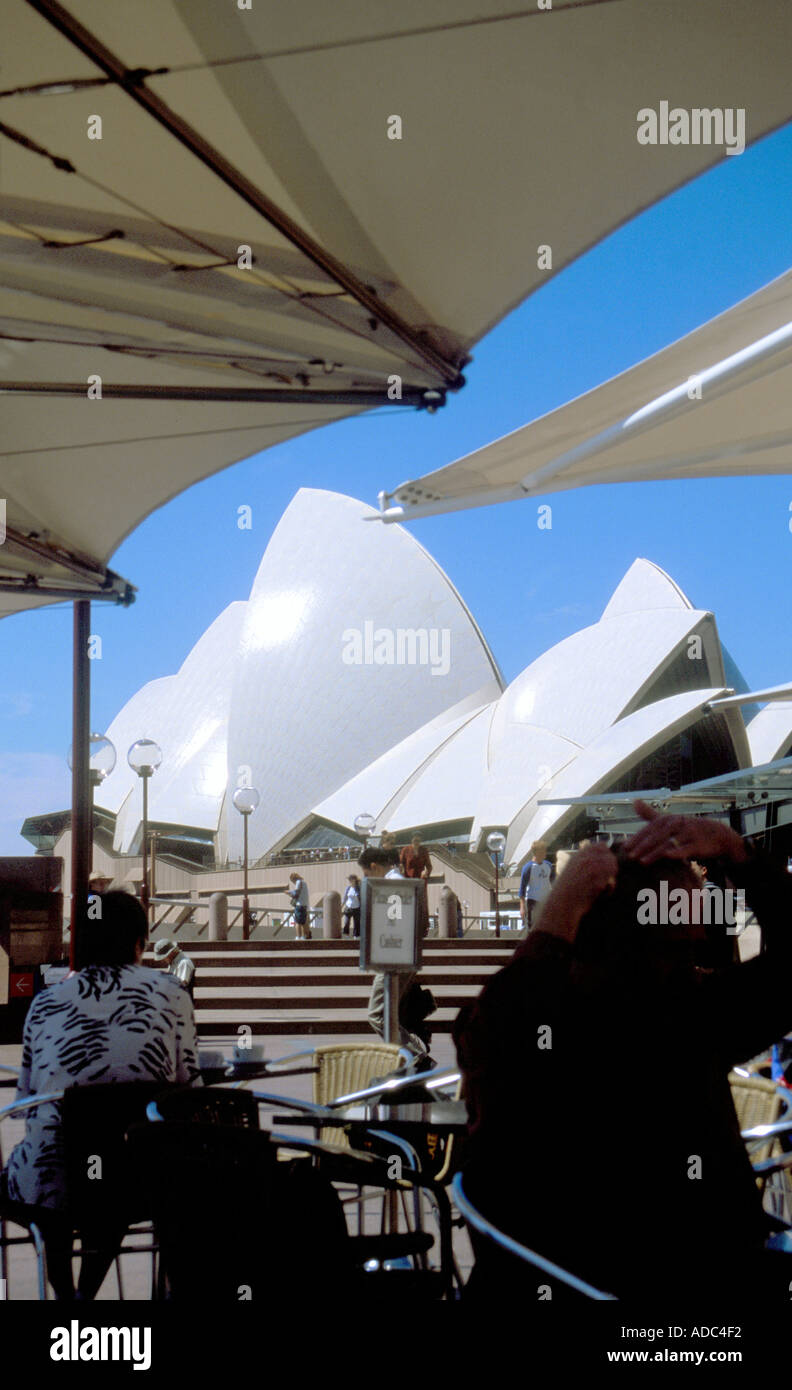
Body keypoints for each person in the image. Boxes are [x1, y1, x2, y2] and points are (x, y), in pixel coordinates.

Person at [453, 801, 792, 1304]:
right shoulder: (686, 1018)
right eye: (684, 941)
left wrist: (556, 920)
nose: (696, 954)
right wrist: (737, 852)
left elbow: (494, 1027)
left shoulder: (528, 1017)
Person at [1, 892, 200, 1299]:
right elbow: (187, 1087)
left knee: (56, 1165)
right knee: (111, 1178)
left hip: (54, 1180)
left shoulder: (45, 1003)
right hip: (136, 1178)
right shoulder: (172, 993)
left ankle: (67, 1295)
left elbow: (28, 1099)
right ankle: (85, 1295)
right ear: (138, 943)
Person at [358, 845, 431, 1054]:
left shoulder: (391, 885)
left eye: (366, 874)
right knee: (386, 1015)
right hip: (399, 956)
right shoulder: (397, 882)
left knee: (377, 1015)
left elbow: (394, 923)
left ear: (374, 866)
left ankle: (415, 1055)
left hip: (394, 958)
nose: (366, 879)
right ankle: (410, 1056)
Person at [518, 840, 553, 932]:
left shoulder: (548, 865)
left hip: (546, 902)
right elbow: (522, 889)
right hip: (533, 901)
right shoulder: (528, 867)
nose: (545, 853)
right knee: (533, 928)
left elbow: (553, 883)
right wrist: (522, 907)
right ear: (537, 852)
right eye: (543, 851)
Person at [288, 872, 311, 941]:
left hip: (299, 905)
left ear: (293, 879)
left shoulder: (298, 882)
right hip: (305, 905)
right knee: (304, 922)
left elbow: (296, 893)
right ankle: (304, 936)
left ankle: (298, 936)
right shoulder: (304, 882)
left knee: (297, 922)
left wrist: (288, 892)